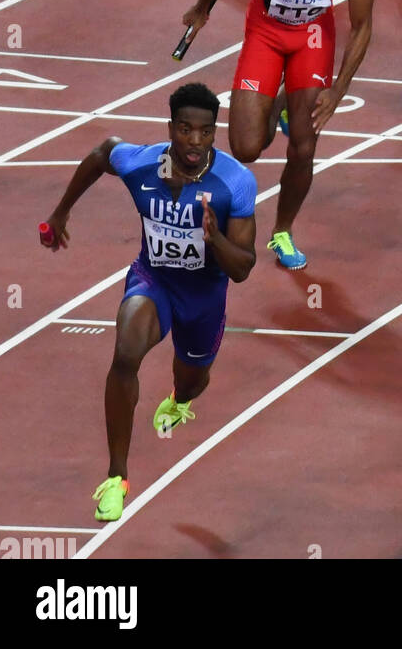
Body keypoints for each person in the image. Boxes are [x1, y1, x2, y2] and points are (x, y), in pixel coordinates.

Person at [40, 83, 256, 522]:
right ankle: (116, 478)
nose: (195, 142)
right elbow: (102, 153)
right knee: (125, 353)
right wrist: (62, 211)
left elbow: (243, 268)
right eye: (186, 130)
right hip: (152, 279)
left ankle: (179, 399)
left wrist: (213, 238)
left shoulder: (235, 182)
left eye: (206, 132)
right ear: (171, 128)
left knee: (194, 379)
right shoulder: (140, 163)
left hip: (204, 297)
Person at [181, 0, 374, 270]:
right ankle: (283, 101)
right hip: (266, 32)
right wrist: (203, 6)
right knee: (246, 147)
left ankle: (282, 231)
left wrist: (338, 89)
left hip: (313, 38)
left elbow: (362, 27)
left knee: (304, 144)